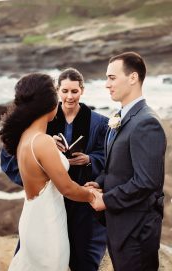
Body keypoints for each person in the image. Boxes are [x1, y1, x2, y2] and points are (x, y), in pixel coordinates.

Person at [0, 68, 108, 270]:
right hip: (48, 221)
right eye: (61, 92)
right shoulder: (42, 142)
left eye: (74, 91)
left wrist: (88, 160)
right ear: (51, 103)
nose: (66, 98)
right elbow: (67, 188)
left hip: (34, 214)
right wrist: (93, 195)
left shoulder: (27, 137)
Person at [86, 52, 166, 271]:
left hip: (137, 230)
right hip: (121, 225)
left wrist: (107, 200)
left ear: (132, 78)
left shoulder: (146, 122)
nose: (106, 84)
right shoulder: (120, 116)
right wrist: (100, 182)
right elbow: (120, 167)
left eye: (112, 77)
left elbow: (146, 181)